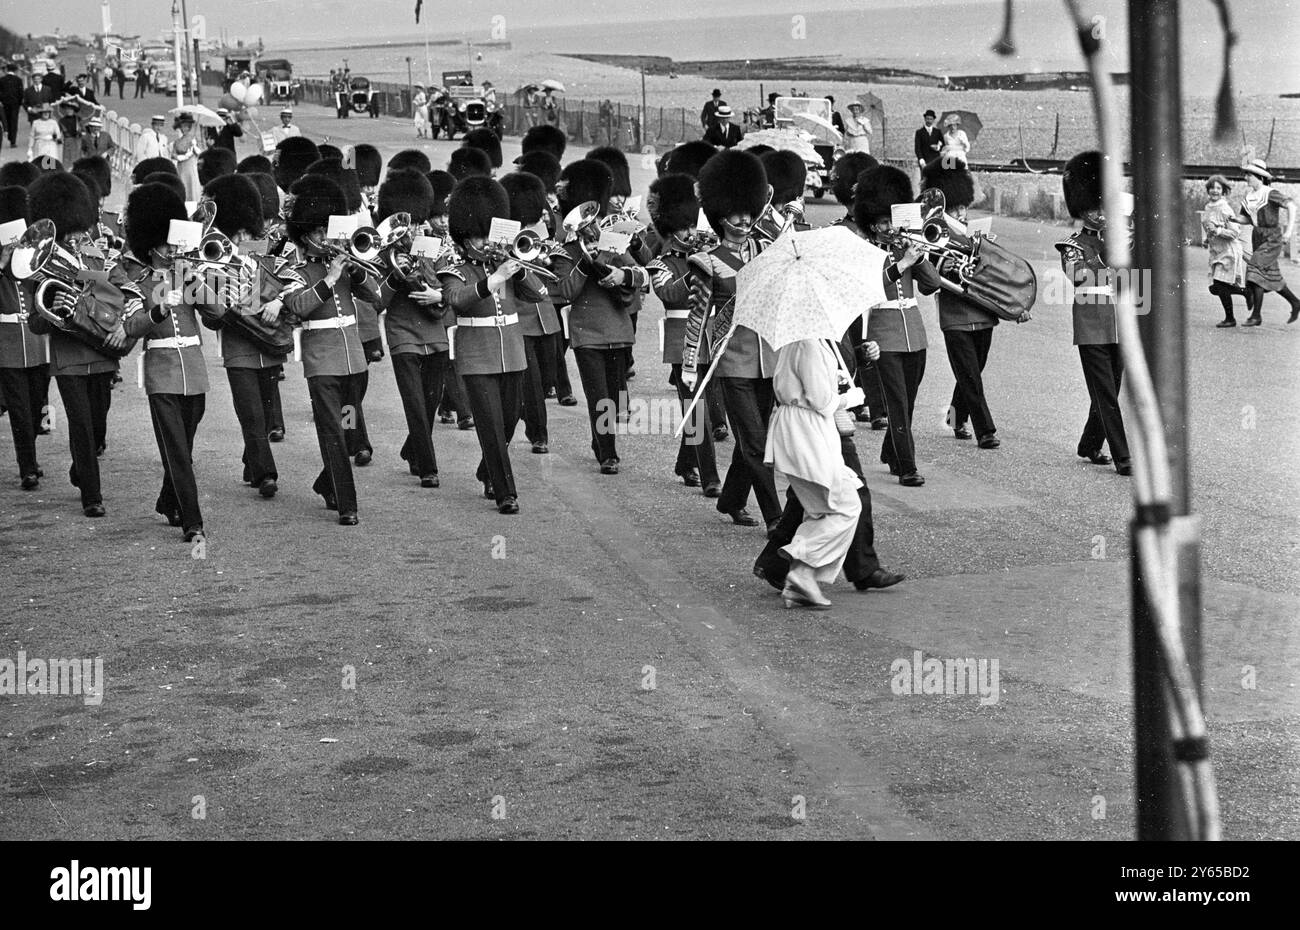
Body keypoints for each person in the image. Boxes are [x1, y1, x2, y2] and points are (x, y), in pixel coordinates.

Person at [25, 172, 141, 518]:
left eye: (82, 230)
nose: (79, 237)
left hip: (102, 351)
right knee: (80, 423)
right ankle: (92, 494)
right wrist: (57, 309)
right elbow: (35, 320)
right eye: (73, 231)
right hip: (69, 357)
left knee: (98, 422)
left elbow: (121, 288)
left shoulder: (97, 256)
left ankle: (81, 468)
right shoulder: (44, 264)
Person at [682, 149, 783, 529]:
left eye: (748, 211)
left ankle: (731, 499)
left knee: (752, 439)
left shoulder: (764, 249)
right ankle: (775, 517)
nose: (744, 219)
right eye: (736, 213)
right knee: (757, 443)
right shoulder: (706, 261)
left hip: (767, 357)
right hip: (733, 360)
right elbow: (697, 316)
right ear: (720, 215)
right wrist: (690, 364)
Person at [438, 176, 545, 514]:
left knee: (510, 420)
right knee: (493, 428)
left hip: (511, 352)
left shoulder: (508, 263)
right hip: (477, 357)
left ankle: (487, 470)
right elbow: (457, 300)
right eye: (478, 236)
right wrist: (494, 279)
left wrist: (517, 268)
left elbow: (539, 295)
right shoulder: (454, 269)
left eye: (487, 234)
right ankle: (506, 492)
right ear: (464, 237)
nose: (484, 242)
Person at [281, 174, 380, 525]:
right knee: (332, 431)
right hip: (322, 362)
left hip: (354, 359)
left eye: (328, 229)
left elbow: (376, 297)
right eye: (320, 231)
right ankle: (346, 504)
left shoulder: (345, 264)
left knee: (347, 427)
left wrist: (356, 271)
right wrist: (329, 280)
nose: (327, 237)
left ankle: (327, 482)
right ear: (306, 235)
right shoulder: (295, 270)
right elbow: (298, 306)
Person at [119, 183, 209, 541]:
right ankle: (193, 522)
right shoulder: (135, 280)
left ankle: (167, 501)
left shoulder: (186, 274)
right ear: (153, 244)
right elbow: (132, 324)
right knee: (177, 450)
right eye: (168, 244)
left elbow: (218, 312)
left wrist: (195, 279)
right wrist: (159, 307)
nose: (173, 249)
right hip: (161, 371)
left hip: (194, 370)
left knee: (183, 447)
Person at [550, 159, 647, 474]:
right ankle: (608, 453)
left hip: (617, 329)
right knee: (598, 396)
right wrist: (587, 259)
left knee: (615, 401)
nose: (592, 225)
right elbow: (565, 290)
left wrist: (618, 273)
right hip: (587, 332)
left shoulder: (613, 241)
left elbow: (640, 273)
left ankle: (600, 442)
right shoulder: (566, 250)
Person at [925, 160, 1026, 450]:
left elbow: (995, 274)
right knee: (969, 374)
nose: (960, 212)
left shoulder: (974, 233)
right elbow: (931, 275)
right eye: (954, 208)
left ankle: (956, 418)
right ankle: (986, 431)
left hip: (982, 312)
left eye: (961, 207)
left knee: (972, 373)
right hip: (954, 314)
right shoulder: (934, 232)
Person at [759, 338, 863, 609]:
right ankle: (803, 570)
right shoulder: (809, 344)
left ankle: (798, 584)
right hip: (807, 431)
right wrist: (848, 398)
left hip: (804, 429)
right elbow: (822, 400)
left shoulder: (807, 342)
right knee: (845, 504)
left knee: (820, 508)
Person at [854, 165, 942, 486]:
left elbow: (933, 285)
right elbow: (870, 287)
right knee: (898, 403)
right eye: (882, 222)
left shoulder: (904, 248)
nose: (889, 227)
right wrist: (902, 264)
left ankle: (891, 452)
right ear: (873, 224)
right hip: (884, 335)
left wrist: (918, 258)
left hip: (914, 334)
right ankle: (907, 467)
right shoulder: (865, 252)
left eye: (891, 220)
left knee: (910, 400)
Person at [1055, 150, 1132, 476]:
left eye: (1102, 206)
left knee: (1109, 391)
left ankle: (1089, 444)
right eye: (1093, 208)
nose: (1100, 213)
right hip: (1091, 325)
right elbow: (1079, 278)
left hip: (1121, 323)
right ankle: (1123, 457)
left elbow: (1136, 281)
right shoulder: (1073, 246)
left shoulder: (1125, 238)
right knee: (1105, 394)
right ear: (1082, 211)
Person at [646, 172, 721, 496]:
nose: (690, 233)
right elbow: (670, 295)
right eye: (683, 228)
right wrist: (696, 266)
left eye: (692, 226)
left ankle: (684, 463)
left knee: (702, 406)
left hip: (712, 339)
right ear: (669, 229)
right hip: (682, 343)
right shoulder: (661, 263)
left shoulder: (710, 252)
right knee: (698, 410)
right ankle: (711, 478)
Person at [500, 170, 561, 455]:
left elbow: (552, 274)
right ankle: (539, 434)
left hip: (545, 318)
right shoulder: (503, 238)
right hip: (521, 319)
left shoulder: (538, 234)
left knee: (547, 379)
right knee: (532, 382)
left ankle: (529, 417)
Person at [0, 185, 51, 491]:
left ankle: (29, 455)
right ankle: (27, 467)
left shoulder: (29, 264)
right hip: (6, 344)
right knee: (19, 409)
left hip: (36, 342)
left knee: (35, 408)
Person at [1236, 159, 1300, 325]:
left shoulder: (1269, 192)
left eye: (1248, 174)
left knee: (1254, 269)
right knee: (1270, 276)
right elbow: (1246, 218)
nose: (1246, 177)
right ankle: (1295, 302)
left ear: (1259, 176)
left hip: (1272, 238)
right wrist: (1233, 218)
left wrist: (1288, 231)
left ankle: (1256, 315)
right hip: (1257, 236)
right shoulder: (1249, 196)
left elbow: (1292, 206)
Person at [1201, 174, 1247, 327]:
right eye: (1212, 188)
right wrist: (1208, 239)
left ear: (1223, 191)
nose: (1215, 191)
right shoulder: (1208, 207)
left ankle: (1230, 319)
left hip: (1229, 251)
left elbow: (1235, 232)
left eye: (1218, 188)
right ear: (1208, 190)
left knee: (1219, 285)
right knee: (1214, 288)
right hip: (1216, 251)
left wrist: (1219, 231)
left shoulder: (1225, 208)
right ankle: (1246, 292)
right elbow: (1210, 228)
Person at [172, 114, 202, 200]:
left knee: (192, 188)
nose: (184, 129)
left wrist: (194, 146)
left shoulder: (193, 139)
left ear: (189, 127)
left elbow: (199, 153)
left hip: (191, 167)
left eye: (186, 127)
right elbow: (173, 155)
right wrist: (181, 157)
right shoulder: (177, 141)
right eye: (182, 127)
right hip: (181, 168)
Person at [0, 64, 24, 148]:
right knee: (14, 121)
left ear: (7, 70)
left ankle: (9, 135)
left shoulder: (2, 80)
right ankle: (13, 141)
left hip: (4, 103)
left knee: (6, 120)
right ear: (15, 70)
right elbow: (21, 93)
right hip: (15, 104)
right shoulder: (18, 80)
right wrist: (20, 103)